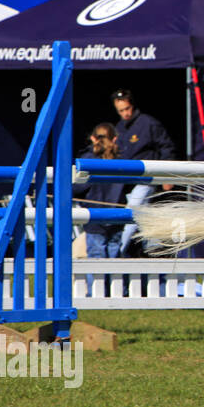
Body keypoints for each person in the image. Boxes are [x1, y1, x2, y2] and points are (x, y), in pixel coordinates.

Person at [111, 88, 176, 252]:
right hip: (125, 182)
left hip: (145, 179)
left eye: (127, 109)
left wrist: (167, 177)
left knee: (131, 214)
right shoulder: (119, 127)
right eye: (120, 111)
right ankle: (155, 250)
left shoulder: (148, 123)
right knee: (143, 217)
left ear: (132, 105)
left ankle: (118, 252)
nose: (125, 113)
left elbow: (167, 148)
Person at [73, 124, 128, 289]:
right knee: (114, 255)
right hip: (117, 216)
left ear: (93, 138)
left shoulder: (88, 161)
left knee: (96, 256)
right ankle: (118, 291)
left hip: (94, 217)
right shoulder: (121, 161)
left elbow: (77, 188)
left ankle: (95, 291)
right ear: (115, 139)